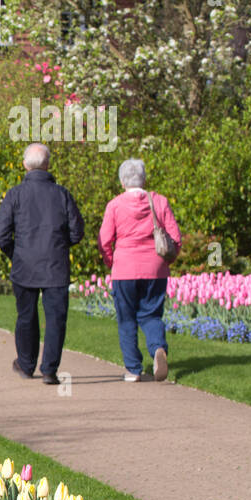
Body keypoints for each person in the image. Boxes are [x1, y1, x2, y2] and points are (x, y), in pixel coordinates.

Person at [0, 143, 84, 385]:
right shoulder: (62, 194)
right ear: (48, 165)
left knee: (26, 316)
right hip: (55, 265)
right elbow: (76, 232)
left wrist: (16, 253)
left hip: (25, 265)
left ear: (25, 165)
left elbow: (1, 233)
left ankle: (26, 363)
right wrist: (59, 247)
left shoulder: (15, 194)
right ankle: (49, 369)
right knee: (55, 319)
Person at [98, 158, 181, 382]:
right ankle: (157, 349)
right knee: (151, 314)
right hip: (155, 268)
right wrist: (165, 262)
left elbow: (104, 240)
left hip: (124, 268)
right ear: (144, 178)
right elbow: (175, 237)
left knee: (127, 319)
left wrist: (110, 262)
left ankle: (134, 369)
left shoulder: (114, 205)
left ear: (122, 182)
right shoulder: (159, 201)